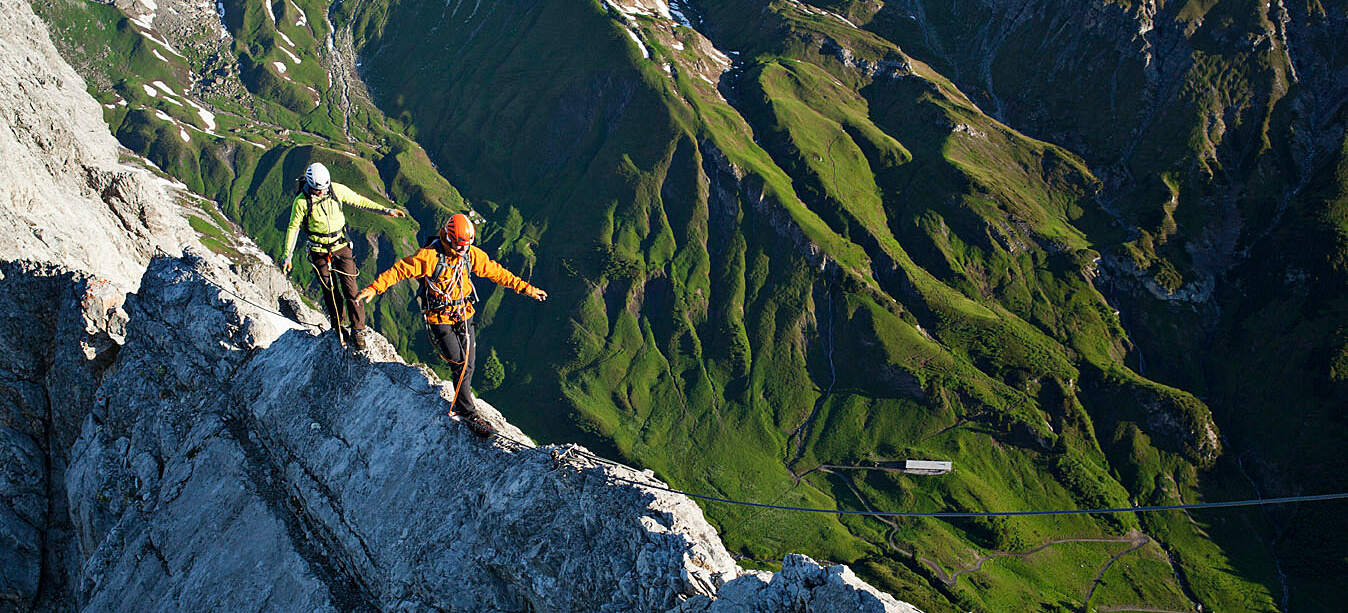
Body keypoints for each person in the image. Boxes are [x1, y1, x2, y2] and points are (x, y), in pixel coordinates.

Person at [356, 213, 546, 437]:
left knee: (469, 363)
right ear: (448, 237)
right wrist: (374, 288)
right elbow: (400, 270)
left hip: (463, 313)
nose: (463, 249)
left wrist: (526, 288)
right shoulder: (429, 257)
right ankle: (468, 413)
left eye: (466, 245)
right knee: (460, 362)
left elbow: (496, 272)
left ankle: (463, 406)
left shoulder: (470, 255)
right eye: (459, 245)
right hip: (439, 317)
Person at [281, 162, 406, 349]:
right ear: (310, 185)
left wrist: (386, 210)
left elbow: (359, 200)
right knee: (330, 291)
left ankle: (358, 330)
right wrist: (287, 256)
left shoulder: (335, 190)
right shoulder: (301, 202)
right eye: (318, 190)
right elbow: (293, 227)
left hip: (340, 244)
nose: (322, 193)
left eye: (324, 189)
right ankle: (338, 327)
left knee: (351, 289)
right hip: (319, 249)